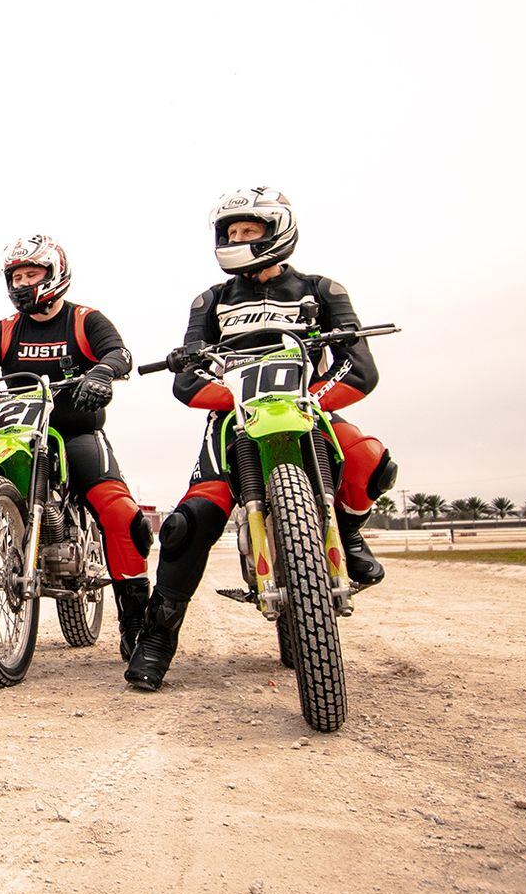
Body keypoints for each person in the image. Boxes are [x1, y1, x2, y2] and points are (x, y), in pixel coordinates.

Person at [126, 188, 396, 692]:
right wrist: (227, 395)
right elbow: (185, 379)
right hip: (235, 422)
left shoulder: (323, 288)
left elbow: (359, 367)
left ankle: (349, 532)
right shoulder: (210, 300)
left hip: (309, 410)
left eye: (248, 232)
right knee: (186, 525)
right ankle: (157, 639)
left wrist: (315, 398)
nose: (237, 239)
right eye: (230, 233)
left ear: (277, 230)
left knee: (370, 460)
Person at [0, 236, 153, 663]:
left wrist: (101, 374)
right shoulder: (6, 330)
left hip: (77, 432)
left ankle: (137, 625)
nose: (23, 282)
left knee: (121, 515)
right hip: (20, 435)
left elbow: (119, 353)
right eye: (17, 276)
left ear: (55, 274)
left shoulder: (85, 319)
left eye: (32, 274)